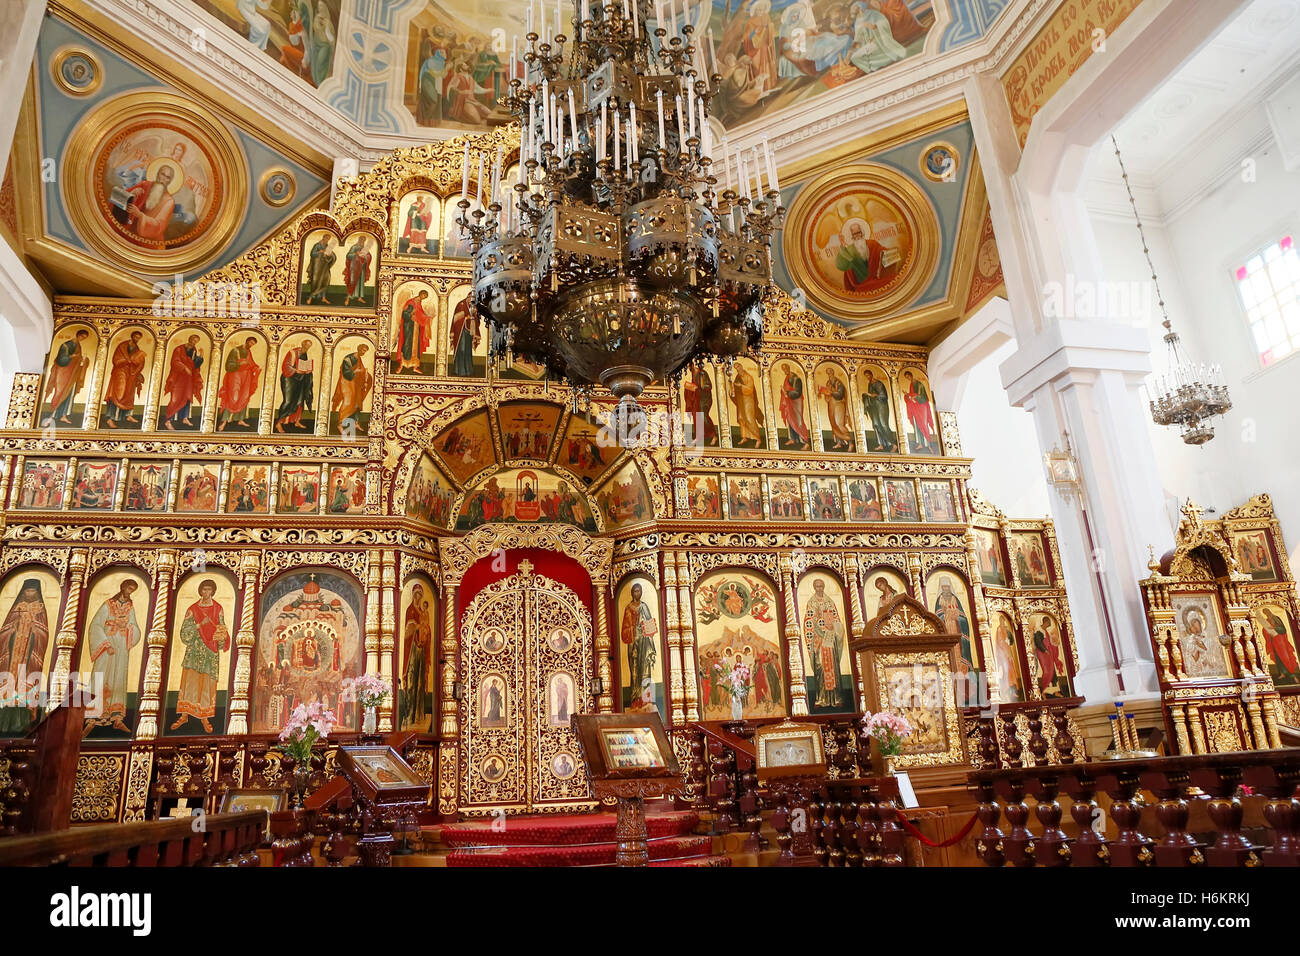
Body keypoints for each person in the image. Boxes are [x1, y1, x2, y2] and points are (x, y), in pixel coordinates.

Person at [169, 579, 230, 734]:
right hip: (194, 650)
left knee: (208, 683)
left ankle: (205, 717)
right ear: (200, 591)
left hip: (210, 652)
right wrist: (200, 624)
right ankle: (184, 715)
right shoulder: (193, 609)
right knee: (190, 681)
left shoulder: (218, 608)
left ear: (213, 592)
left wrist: (222, 636)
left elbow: (221, 627)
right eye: (204, 589)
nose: (206, 593)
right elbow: (184, 631)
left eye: (209, 590)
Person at [85, 579, 143, 733]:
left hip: (122, 646)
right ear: (122, 587)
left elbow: (135, 627)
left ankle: (117, 718)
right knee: (100, 676)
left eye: (132, 589)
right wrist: (105, 644)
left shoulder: (130, 607)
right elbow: (96, 625)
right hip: (107, 644)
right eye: (128, 588)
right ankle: (91, 719)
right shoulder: (108, 604)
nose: (129, 591)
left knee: (119, 677)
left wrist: (128, 627)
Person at [0, 579, 50, 734]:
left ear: (37, 592)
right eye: (27, 591)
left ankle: (22, 724)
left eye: (32, 591)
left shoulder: (40, 609)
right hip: (13, 653)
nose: (29, 594)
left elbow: (44, 634)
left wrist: (36, 630)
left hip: (28, 656)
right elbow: (3, 633)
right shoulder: (17, 609)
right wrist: (11, 630)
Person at [803, 578, 847, 710]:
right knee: (821, 667)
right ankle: (821, 698)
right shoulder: (811, 603)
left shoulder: (829, 602)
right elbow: (808, 622)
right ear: (814, 587)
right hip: (819, 641)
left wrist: (833, 627)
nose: (819, 589)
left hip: (830, 640)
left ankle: (836, 697)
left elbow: (837, 620)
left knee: (833, 668)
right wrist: (818, 629)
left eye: (821, 586)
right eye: (817, 586)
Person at [621, 583, 658, 711]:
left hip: (644, 643)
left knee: (645, 670)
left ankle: (646, 700)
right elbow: (624, 630)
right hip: (633, 643)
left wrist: (644, 630)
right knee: (635, 672)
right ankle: (635, 700)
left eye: (639, 591)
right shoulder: (628, 608)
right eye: (635, 591)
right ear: (632, 593)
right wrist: (633, 629)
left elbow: (650, 626)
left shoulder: (644, 606)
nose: (637, 593)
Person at [43, 329, 91, 426]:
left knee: (69, 394)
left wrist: (83, 360)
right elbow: (61, 360)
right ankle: (51, 417)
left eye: (85, 338)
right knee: (60, 393)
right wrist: (72, 357)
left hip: (72, 374)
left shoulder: (78, 345)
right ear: (78, 335)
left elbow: (76, 359)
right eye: (82, 337)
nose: (83, 339)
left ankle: (63, 415)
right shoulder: (67, 344)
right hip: (64, 374)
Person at [101, 330, 146, 428]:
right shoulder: (122, 346)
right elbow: (116, 359)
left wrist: (136, 366)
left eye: (139, 338)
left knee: (129, 393)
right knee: (117, 393)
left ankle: (127, 415)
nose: (137, 339)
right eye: (136, 337)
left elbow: (140, 361)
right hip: (120, 372)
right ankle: (110, 418)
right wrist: (127, 361)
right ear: (132, 336)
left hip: (131, 373)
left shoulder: (137, 349)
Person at [216, 336, 262, 431]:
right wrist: (238, 364)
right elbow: (228, 365)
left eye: (253, 344)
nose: (251, 345)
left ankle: (240, 419)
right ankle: (224, 421)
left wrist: (257, 368)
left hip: (246, 376)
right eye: (251, 343)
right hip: (235, 376)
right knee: (233, 397)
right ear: (247, 341)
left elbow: (251, 364)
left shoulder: (248, 352)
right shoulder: (235, 351)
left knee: (244, 396)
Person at [161, 334, 205, 430]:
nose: (194, 342)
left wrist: (200, 357)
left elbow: (194, 365)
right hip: (178, 377)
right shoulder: (179, 349)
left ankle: (184, 417)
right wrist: (184, 367)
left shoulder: (194, 351)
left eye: (196, 341)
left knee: (187, 396)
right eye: (193, 340)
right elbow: (174, 362)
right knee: (175, 398)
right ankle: (168, 420)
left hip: (188, 378)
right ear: (189, 339)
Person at [331, 344, 372, 435]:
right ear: (359, 349)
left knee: (357, 402)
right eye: (363, 350)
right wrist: (355, 372)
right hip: (347, 381)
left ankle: (355, 423)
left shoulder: (359, 358)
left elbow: (360, 371)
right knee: (348, 402)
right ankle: (340, 424)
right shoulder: (349, 358)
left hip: (355, 382)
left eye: (365, 351)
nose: (364, 352)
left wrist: (365, 377)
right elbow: (345, 371)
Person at [396, 289, 433, 373]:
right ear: (421, 294)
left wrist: (427, 318)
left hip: (416, 329)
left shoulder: (419, 304)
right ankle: (402, 365)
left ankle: (415, 366)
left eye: (425, 297)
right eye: (424, 296)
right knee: (406, 345)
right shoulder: (411, 302)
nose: (424, 298)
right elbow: (404, 314)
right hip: (409, 327)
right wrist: (411, 314)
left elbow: (421, 315)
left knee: (416, 347)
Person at [728, 364, 765, 447]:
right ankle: (744, 437)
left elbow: (750, 389)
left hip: (748, 400)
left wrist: (741, 386)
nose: (737, 370)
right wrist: (732, 388)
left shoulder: (748, 377)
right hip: (740, 400)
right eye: (736, 369)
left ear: (741, 367)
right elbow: (735, 386)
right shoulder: (738, 377)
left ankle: (758, 438)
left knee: (749, 418)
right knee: (741, 418)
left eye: (738, 367)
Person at [861, 368, 897, 451]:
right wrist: (867, 397)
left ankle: (893, 444)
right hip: (874, 407)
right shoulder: (870, 384)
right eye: (866, 376)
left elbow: (883, 396)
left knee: (883, 424)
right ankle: (881, 444)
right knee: (876, 424)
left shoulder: (878, 384)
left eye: (868, 375)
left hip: (881, 406)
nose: (867, 377)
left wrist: (872, 395)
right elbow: (871, 395)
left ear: (871, 374)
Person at [818, 368, 854, 450]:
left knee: (839, 423)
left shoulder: (838, 382)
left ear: (833, 373)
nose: (829, 375)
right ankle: (839, 442)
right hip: (831, 404)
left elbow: (840, 394)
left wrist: (831, 392)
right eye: (828, 373)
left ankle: (850, 442)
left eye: (830, 373)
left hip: (839, 404)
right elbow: (828, 395)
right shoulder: (828, 383)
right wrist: (823, 392)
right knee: (833, 423)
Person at [902, 370, 937, 454]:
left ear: (911, 375)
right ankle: (921, 443)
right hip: (915, 407)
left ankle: (929, 445)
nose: (908, 378)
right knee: (917, 424)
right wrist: (908, 395)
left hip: (922, 407)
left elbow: (922, 397)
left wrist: (913, 397)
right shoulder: (911, 384)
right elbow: (912, 395)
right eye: (906, 378)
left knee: (923, 424)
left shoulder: (919, 384)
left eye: (908, 376)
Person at [778, 363, 810, 448]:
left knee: (798, 420)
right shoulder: (787, 378)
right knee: (790, 418)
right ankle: (793, 438)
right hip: (789, 401)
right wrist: (784, 392)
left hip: (796, 401)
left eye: (785, 368)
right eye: (783, 369)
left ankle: (805, 441)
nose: (785, 370)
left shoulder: (796, 379)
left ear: (788, 368)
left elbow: (798, 392)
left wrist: (787, 393)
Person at [303, 234, 336, 304]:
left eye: (328, 239)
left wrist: (330, 256)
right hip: (317, 267)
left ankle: (323, 298)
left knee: (325, 280)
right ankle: (310, 297)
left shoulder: (327, 247)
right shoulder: (317, 245)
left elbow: (332, 256)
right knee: (315, 281)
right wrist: (319, 252)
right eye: (326, 238)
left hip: (324, 267)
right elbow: (312, 254)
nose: (327, 240)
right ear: (323, 238)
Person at [342, 237, 372, 306]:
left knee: (361, 282)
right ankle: (348, 297)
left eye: (364, 240)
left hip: (362, 267)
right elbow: (348, 255)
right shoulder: (354, 247)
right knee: (352, 281)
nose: (362, 242)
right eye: (361, 240)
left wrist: (365, 256)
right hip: (354, 267)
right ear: (359, 240)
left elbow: (369, 256)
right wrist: (356, 254)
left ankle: (360, 297)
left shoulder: (365, 249)